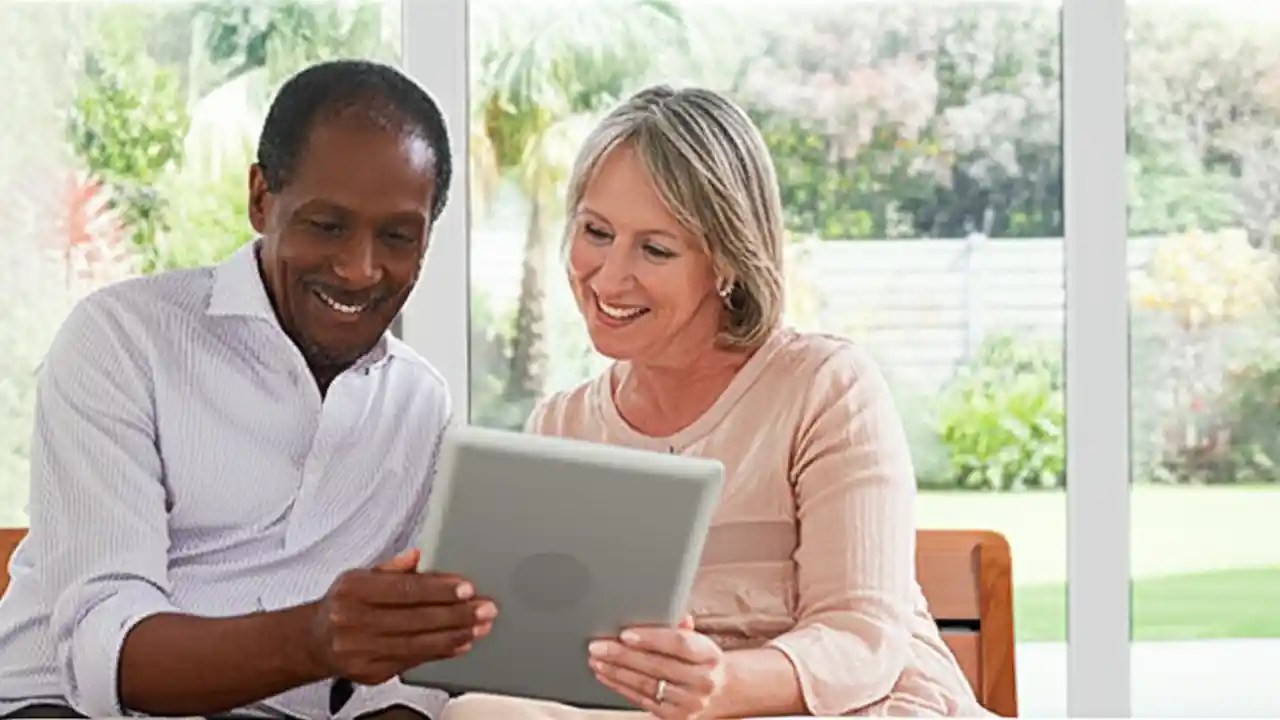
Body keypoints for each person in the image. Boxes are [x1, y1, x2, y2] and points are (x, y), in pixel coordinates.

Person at [440, 86, 993, 719]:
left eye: (655, 249)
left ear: (726, 260)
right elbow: (545, 654)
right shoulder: (561, 426)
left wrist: (721, 684)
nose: (609, 276)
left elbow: (861, 639)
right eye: (596, 232)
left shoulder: (825, 388)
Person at [0, 60, 497, 720]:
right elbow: (101, 656)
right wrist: (316, 638)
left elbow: (403, 677)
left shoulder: (420, 405)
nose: (359, 269)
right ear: (261, 198)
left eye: (398, 237)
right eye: (327, 225)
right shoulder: (123, 339)